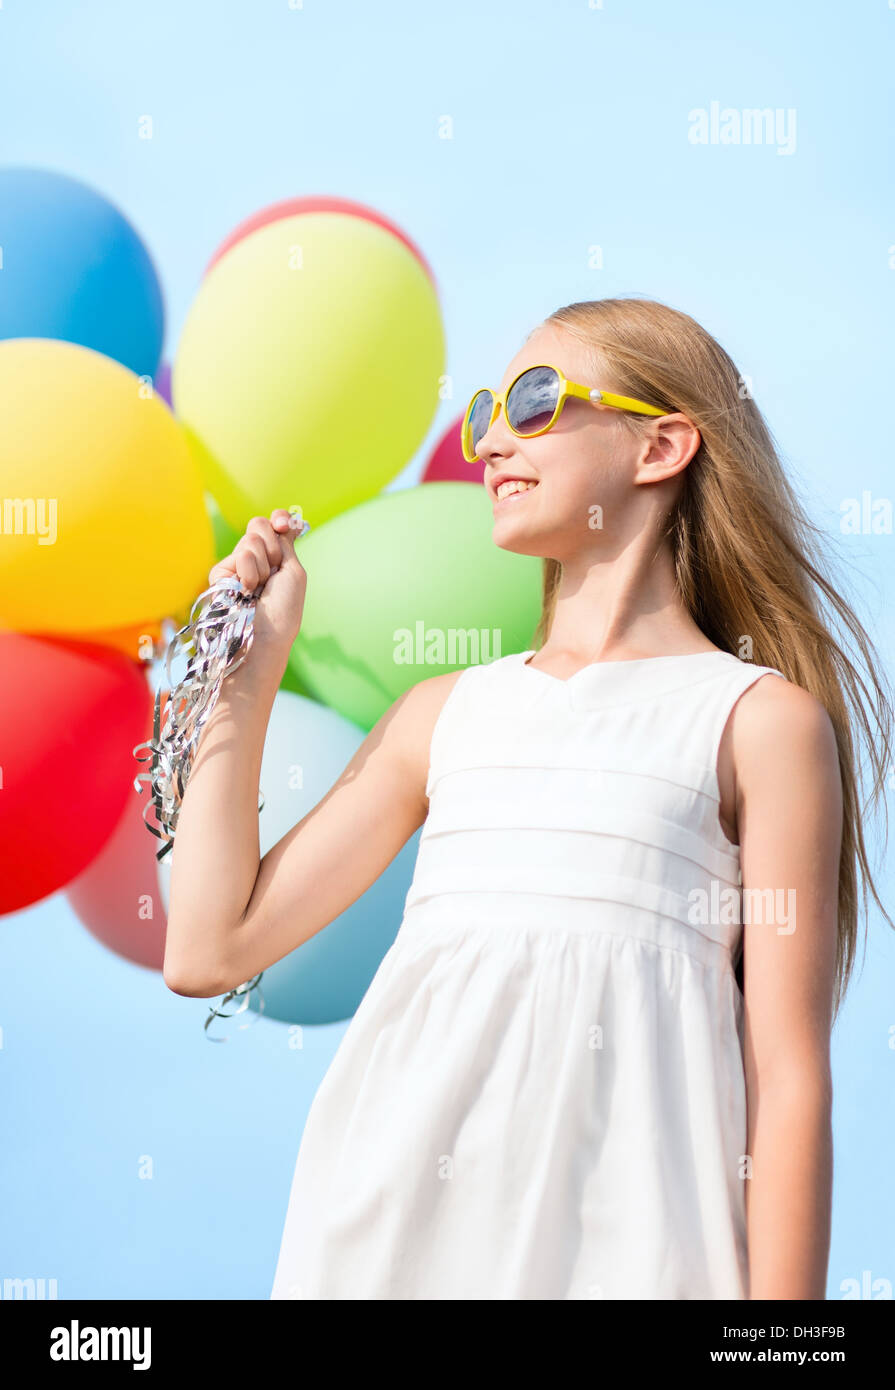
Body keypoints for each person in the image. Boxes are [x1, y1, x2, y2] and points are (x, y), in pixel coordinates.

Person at [163, 296, 893, 1300]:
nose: (492, 439)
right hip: (385, 1245)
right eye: (483, 415)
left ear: (661, 446)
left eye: (536, 401)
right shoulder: (442, 715)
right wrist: (248, 670)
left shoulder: (756, 722)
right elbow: (207, 949)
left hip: (644, 1251)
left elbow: (788, 1077)